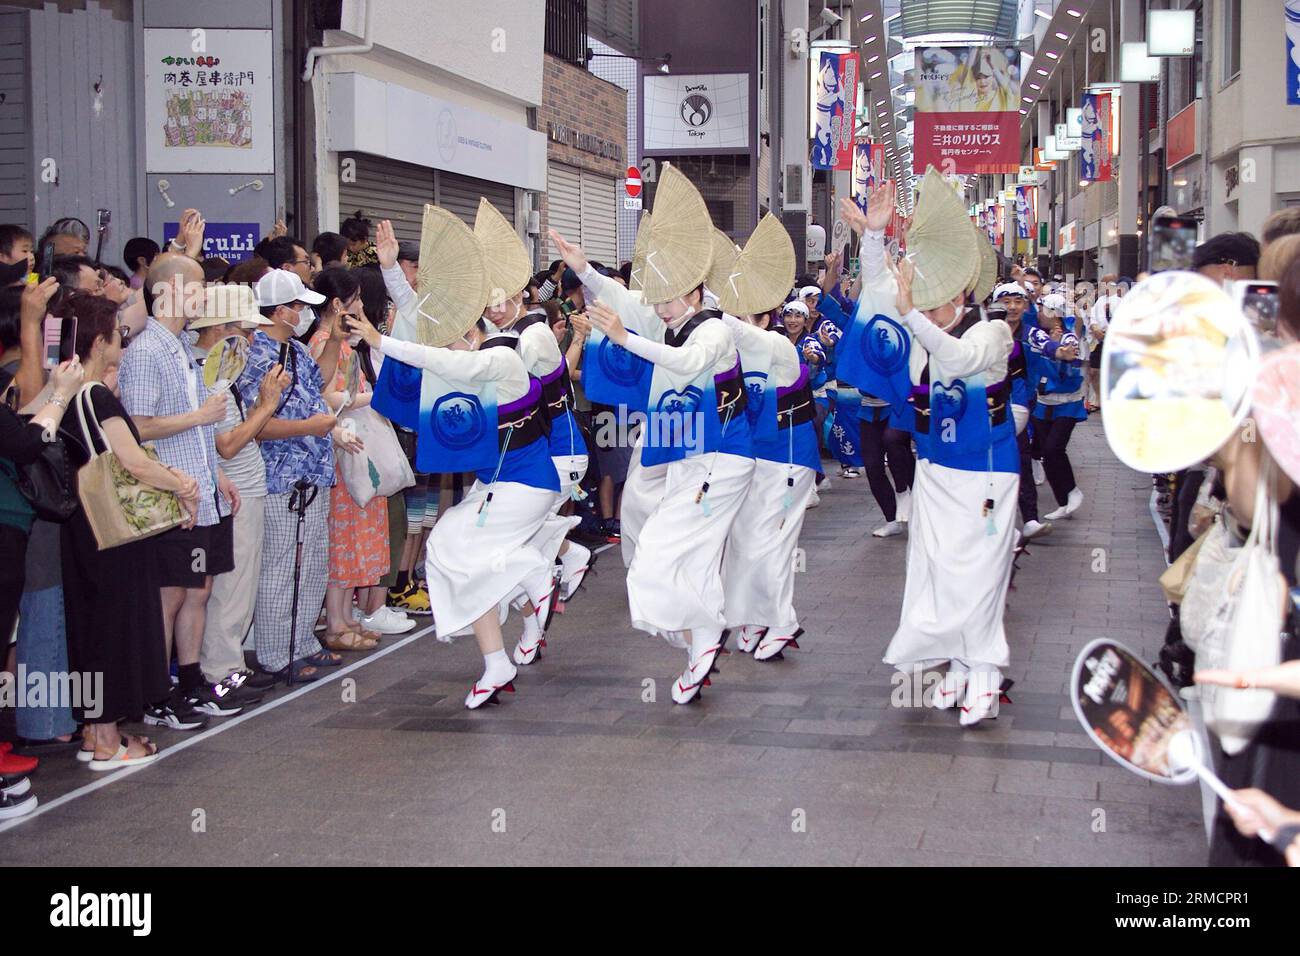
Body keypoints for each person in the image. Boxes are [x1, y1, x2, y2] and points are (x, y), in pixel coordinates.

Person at [563, 166, 757, 706]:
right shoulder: (668, 317)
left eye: (669, 298)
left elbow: (686, 361)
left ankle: (705, 636)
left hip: (721, 458)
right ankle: (701, 644)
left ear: (695, 290)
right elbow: (629, 304)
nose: (660, 306)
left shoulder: (715, 329)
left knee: (662, 556)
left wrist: (626, 337)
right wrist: (588, 272)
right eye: (659, 298)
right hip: (684, 454)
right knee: (668, 554)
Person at [351, 273, 567, 708]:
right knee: (459, 557)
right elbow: (425, 330)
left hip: (526, 485)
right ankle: (497, 660)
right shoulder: (475, 356)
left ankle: (534, 570)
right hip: (497, 487)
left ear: (471, 334)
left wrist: (380, 339)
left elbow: (444, 362)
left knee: (459, 547)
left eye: (450, 343)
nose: (443, 354)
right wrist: (393, 275)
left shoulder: (502, 358)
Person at [870, 171, 1019, 726]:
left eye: (934, 306)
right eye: (921, 307)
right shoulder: (920, 331)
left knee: (978, 573)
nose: (925, 315)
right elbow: (877, 307)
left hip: (985, 475)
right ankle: (958, 663)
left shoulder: (991, 333)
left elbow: (956, 361)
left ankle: (984, 672)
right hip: (935, 472)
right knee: (935, 571)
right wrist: (871, 240)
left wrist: (913, 316)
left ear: (959, 294)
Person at [57, 291, 201, 768]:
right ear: (99, 343)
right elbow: (133, 461)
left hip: (81, 526)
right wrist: (182, 484)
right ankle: (109, 740)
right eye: (117, 333)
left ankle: (92, 732)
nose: (124, 340)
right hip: (114, 532)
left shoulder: (66, 394)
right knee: (115, 628)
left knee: (90, 626)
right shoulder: (96, 396)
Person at [119, 253, 241, 726]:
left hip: (201, 489)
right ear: (168, 290)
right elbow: (137, 427)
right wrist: (199, 419)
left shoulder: (183, 347)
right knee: (169, 594)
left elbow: (195, 430)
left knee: (199, 589)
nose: (203, 295)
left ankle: (190, 681)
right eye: (196, 287)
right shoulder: (148, 350)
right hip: (170, 496)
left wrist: (217, 475)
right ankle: (156, 692)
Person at [239, 269, 341, 681]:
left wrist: (334, 338)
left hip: (313, 473)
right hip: (280, 477)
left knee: (314, 561)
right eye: (299, 307)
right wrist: (308, 428)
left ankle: (302, 643)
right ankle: (275, 653)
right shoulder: (254, 356)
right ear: (281, 311)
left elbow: (321, 377)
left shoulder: (295, 352)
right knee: (280, 566)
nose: (304, 314)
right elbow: (256, 426)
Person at [191, 285, 286, 694]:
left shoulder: (219, 373)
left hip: (242, 488)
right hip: (234, 493)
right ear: (220, 330)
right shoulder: (207, 375)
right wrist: (266, 406)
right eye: (245, 332)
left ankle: (230, 664)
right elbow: (226, 443)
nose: (251, 340)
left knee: (239, 585)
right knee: (230, 588)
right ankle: (222, 671)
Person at [309, 267, 389, 651]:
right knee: (341, 537)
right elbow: (321, 394)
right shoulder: (323, 342)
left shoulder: (344, 342)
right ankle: (336, 623)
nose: (360, 306)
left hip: (352, 442)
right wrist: (369, 398)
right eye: (355, 299)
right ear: (338, 304)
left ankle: (345, 617)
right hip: (338, 447)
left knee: (352, 536)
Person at [1027, 292, 1086, 521]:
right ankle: (1063, 501)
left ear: (1053, 313)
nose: (1039, 314)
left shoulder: (1069, 339)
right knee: (1046, 454)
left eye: (1042, 309)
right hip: (1043, 403)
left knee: (1054, 449)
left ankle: (1072, 491)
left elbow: (1065, 372)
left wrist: (1054, 351)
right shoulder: (1040, 336)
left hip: (1067, 404)